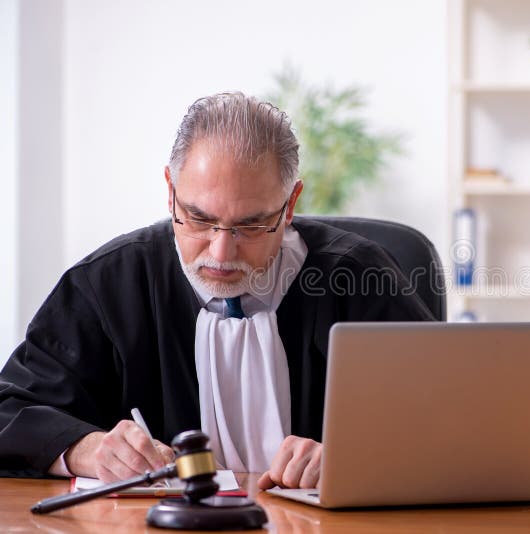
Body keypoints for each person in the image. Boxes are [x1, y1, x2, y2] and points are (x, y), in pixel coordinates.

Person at [0, 92, 435, 490]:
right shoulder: (107, 284)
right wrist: (85, 449)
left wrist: (355, 458)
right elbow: (10, 409)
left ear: (291, 205)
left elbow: (447, 416)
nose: (221, 251)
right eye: (199, 218)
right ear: (171, 192)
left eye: (251, 224)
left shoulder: (361, 279)